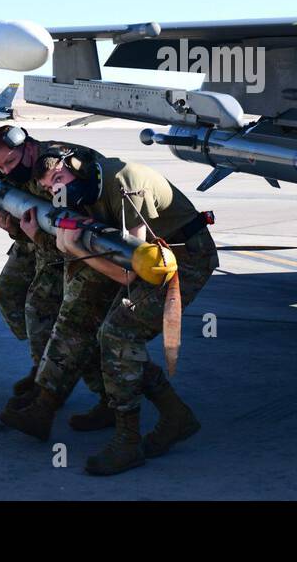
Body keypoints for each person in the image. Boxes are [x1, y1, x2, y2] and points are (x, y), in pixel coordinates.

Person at [21, 146, 217, 476]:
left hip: (185, 258)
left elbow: (131, 273)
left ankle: (128, 441)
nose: (57, 191)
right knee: (106, 334)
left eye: (59, 179)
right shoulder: (84, 192)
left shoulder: (124, 183)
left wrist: (70, 246)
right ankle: (175, 416)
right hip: (155, 260)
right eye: (50, 189)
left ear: (76, 167)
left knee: (118, 335)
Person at [0, 125, 109, 422]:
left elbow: (61, 229)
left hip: (75, 249)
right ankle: (47, 372)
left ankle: (57, 388)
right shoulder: (3, 167)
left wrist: (18, 228)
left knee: (47, 315)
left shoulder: (48, 167)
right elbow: (24, 220)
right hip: (43, 244)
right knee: (11, 295)